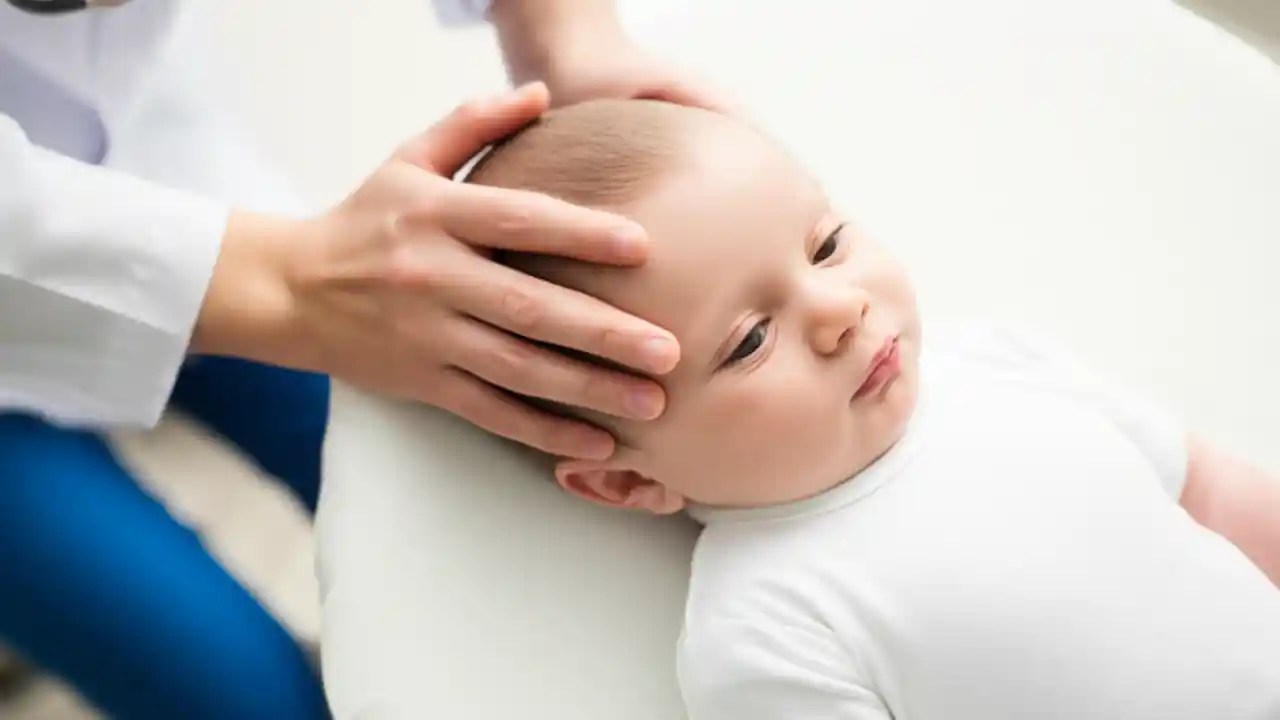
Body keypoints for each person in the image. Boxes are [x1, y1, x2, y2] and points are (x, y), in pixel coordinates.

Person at [0, 1, 725, 718]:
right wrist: (289, 284)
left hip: (166, 175)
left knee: (475, 523)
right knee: (216, 683)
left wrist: (563, 31)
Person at [465, 98, 1280, 718]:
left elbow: (1207, 491)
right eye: (748, 341)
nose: (838, 309)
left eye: (826, 245)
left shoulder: (995, 364)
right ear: (627, 484)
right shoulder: (768, 623)